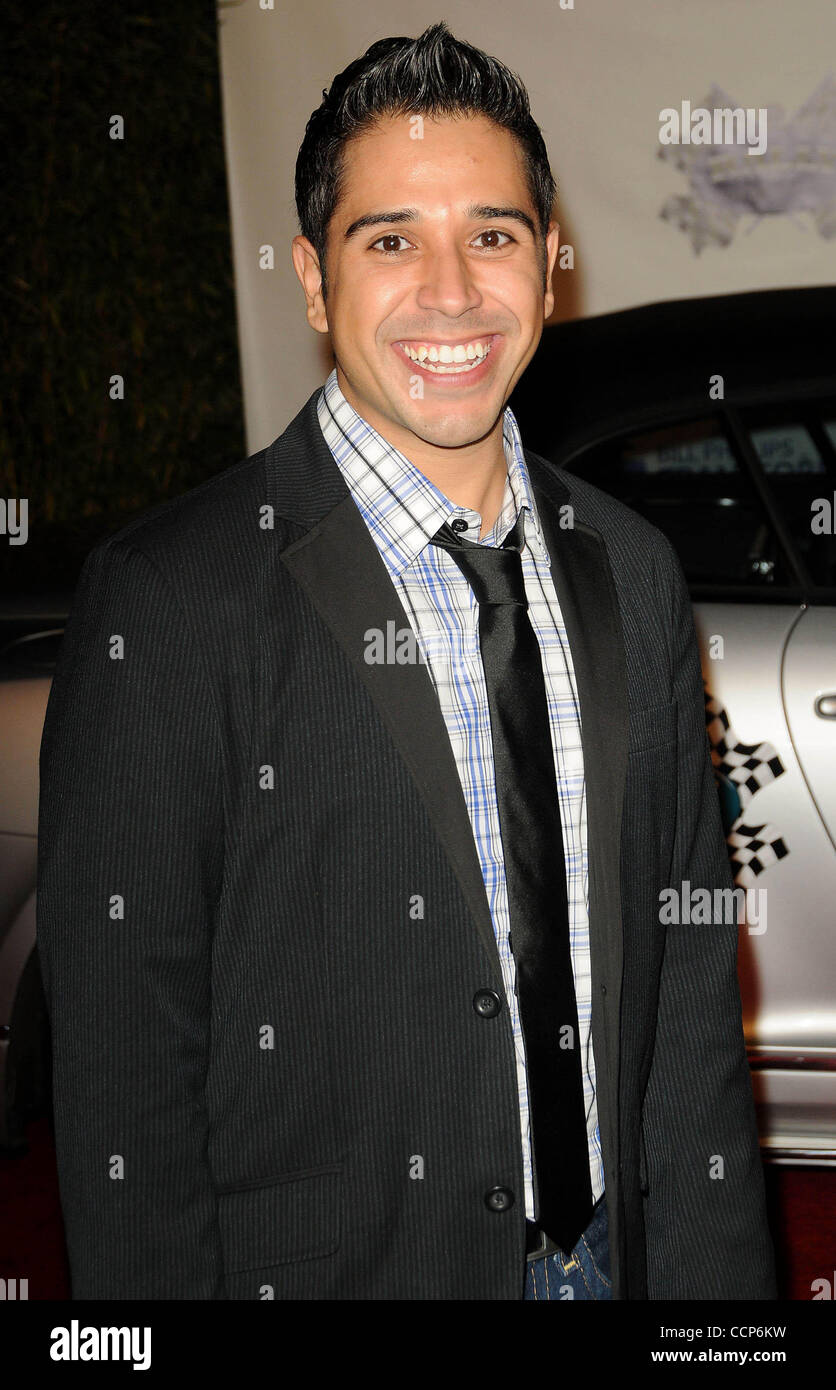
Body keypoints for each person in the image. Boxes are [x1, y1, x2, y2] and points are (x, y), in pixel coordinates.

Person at [36, 21, 776, 1300]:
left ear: (549, 265)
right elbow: (124, 1081)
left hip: (611, 1263)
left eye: (490, 235)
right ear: (316, 280)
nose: (450, 290)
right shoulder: (167, 597)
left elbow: (691, 998)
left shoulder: (633, 569)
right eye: (391, 241)